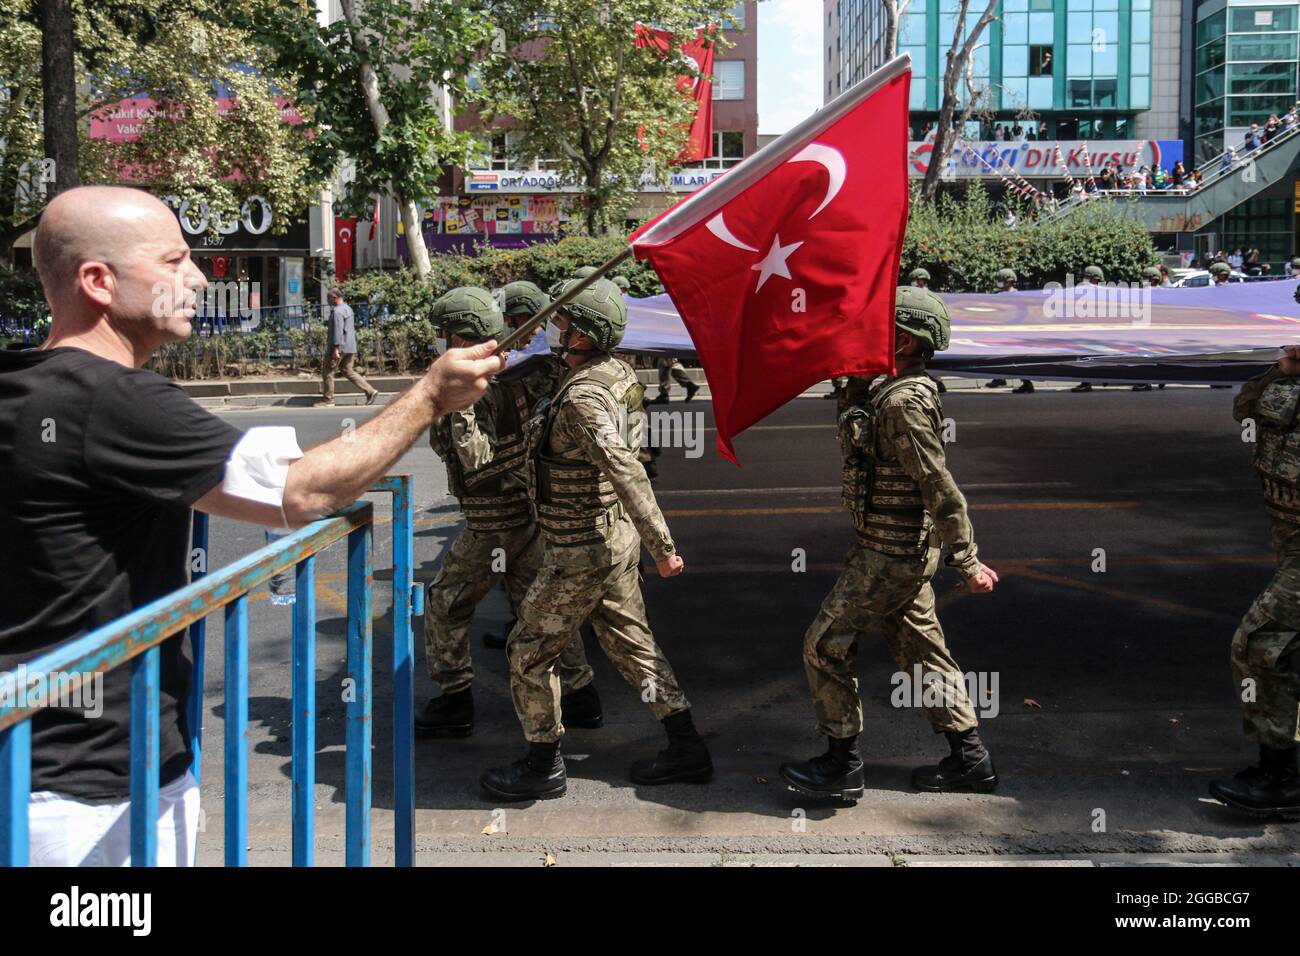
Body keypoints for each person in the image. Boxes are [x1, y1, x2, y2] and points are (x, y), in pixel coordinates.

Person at [0, 185, 503, 866]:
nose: (198, 279)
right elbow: (303, 494)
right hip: (92, 797)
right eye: (174, 262)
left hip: (32, 768)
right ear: (98, 281)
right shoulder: (111, 398)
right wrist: (428, 397)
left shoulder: (29, 383)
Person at [480, 277, 710, 800]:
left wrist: (665, 546)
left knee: (528, 650)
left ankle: (543, 764)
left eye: (564, 323)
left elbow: (624, 467)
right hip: (610, 540)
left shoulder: (583, 397)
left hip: (580, 547)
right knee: (632, 646)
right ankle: (688, 746)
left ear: (585, 334)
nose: (556, 330)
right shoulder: (615, 373)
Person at [779, 287, 1000, 801]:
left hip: (890, 555)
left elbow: (937, 484)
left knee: (824, 645)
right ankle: (970, 759)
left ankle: (841, 765)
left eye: (882, 328)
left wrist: (966, 558)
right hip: (892, 549)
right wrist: (854, 383)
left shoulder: (903, 403)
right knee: (922, 651)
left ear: (905, 339)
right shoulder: (889, 389)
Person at [417, 286, 602, 738]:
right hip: (526, 516)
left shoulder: (476, 386)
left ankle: (455, 699)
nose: (439, 340)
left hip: (492, 521)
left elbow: (475, 460)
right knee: (541, 610)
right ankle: (581, 696)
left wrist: (455, 405)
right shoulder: (519, 373)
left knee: (445, 602)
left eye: (444, 332)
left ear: (459, 335)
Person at [1211, 347, 1300, 818]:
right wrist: (1281, 370)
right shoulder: (1285, 377)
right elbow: (1245, 408)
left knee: (1260, 643)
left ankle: (1283, 778)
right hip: (1290, 540)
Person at [318, 287, 378, 407]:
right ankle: (370, 391)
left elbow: (338, 331)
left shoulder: (337, 312)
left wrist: (336, 348)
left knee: (328, 372)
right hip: (350, 346)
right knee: (347, 370)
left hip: (339, 347)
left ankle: (328, 400)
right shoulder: (348, 309)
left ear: (335, 298)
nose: (328, 301)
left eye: (329, 298)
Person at [985, 268, 1034, 393]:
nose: (999, 282)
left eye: (1001, 280)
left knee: (1016, 358)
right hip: (1002, 331)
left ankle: (1027, 383)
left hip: (1014, 332)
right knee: (998, 355)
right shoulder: (1000, 296)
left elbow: (1024, 313)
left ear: (1008, 281)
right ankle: (999, 378)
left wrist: (1012, 322)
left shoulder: (1017, 296)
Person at [1071, 266, 1106, 393]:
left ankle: (1089, 382)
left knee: (1090, 357)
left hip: (1094, 331)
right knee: (1086, 357)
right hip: (1087, 330)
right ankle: (1087, 381)